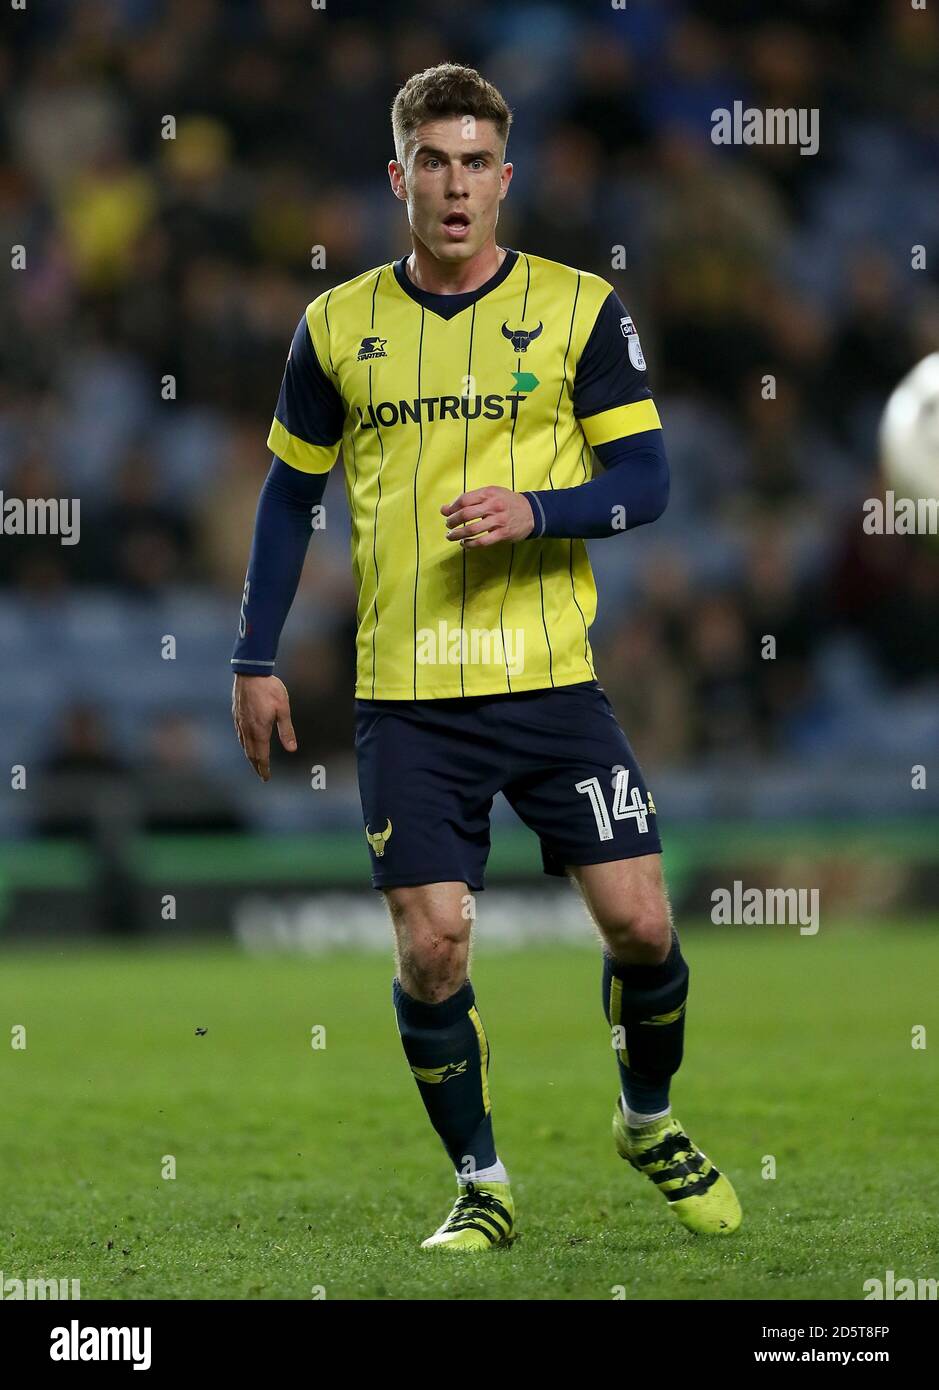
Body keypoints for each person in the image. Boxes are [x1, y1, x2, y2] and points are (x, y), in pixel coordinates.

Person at [230, 63, 741, 1251]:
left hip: (551, 679)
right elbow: (287, 496)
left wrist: (538, 511)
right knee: (433, 946)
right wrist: (254, 655)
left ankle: (648, 1118)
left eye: (475, 163)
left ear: (506, 179)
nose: (454, 186)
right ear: (397, 176)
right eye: (433, 162)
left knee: (642, 924)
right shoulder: (335, 326)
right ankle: (483, 1181)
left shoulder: (580, 308)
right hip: (408, 696)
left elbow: (649, 480)